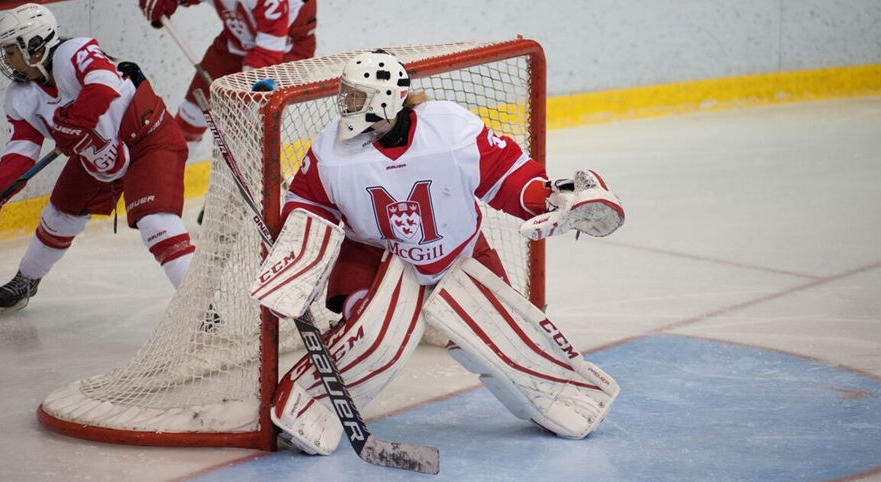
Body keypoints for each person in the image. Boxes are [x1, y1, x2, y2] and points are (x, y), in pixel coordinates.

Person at [248, 50, 627, 455]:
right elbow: (309, 203)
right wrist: (298, 248)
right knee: (374, 339)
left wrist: (555, 197)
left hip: (461, 253)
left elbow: (507, 176)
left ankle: (562, 398)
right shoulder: (330, 150)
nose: (347, 105)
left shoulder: (449, 128)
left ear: (385, 99)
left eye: (357, 97)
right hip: (378, 261)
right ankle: (304, 407)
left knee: (498, 342)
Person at [0, 3, 196, 316]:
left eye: (10, 51)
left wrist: (76, 120)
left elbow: (103, 83)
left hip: (147, 140)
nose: (6, 59)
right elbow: (20, 152)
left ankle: (203, 304)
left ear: (34, 47)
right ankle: (27, 279)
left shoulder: (74, 52)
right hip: (95, 154)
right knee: (59, 215)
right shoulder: (20, 97)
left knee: (156, 222)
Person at [139, 0, 317, 156]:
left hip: (287, 50)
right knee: (191, 116)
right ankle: (171, 176)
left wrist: (244, 96)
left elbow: (268, 53)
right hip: (236, 42)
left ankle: (259, 185)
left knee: (251, 128)